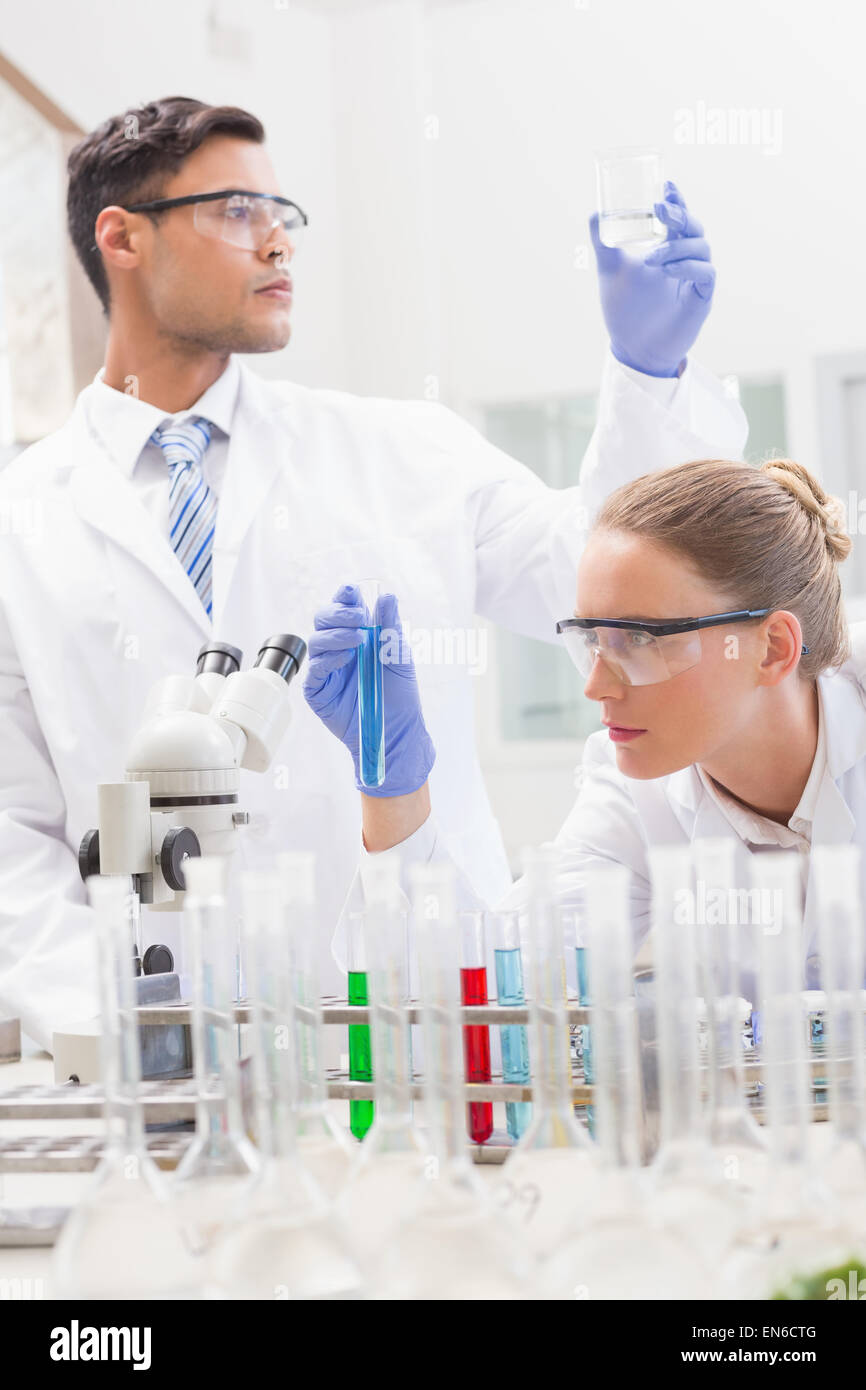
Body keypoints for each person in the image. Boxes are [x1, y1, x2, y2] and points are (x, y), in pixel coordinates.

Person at [0, 95, 745, 1050]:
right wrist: (107, 1030)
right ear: (123, 238)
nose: (278, 241)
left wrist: (646, 375)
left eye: (283, 214)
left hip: (419, 1022)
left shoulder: (404, 449)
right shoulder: (23, 520)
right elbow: (15, 831)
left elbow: (594, 577)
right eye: (236, 211)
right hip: (166, 1058)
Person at [308, 456, 864, 987]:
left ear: (772, 648)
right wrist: (393, 791)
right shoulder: (636, 800)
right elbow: (494, 993)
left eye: (640, 639)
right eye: (593, 640)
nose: (595, 686)